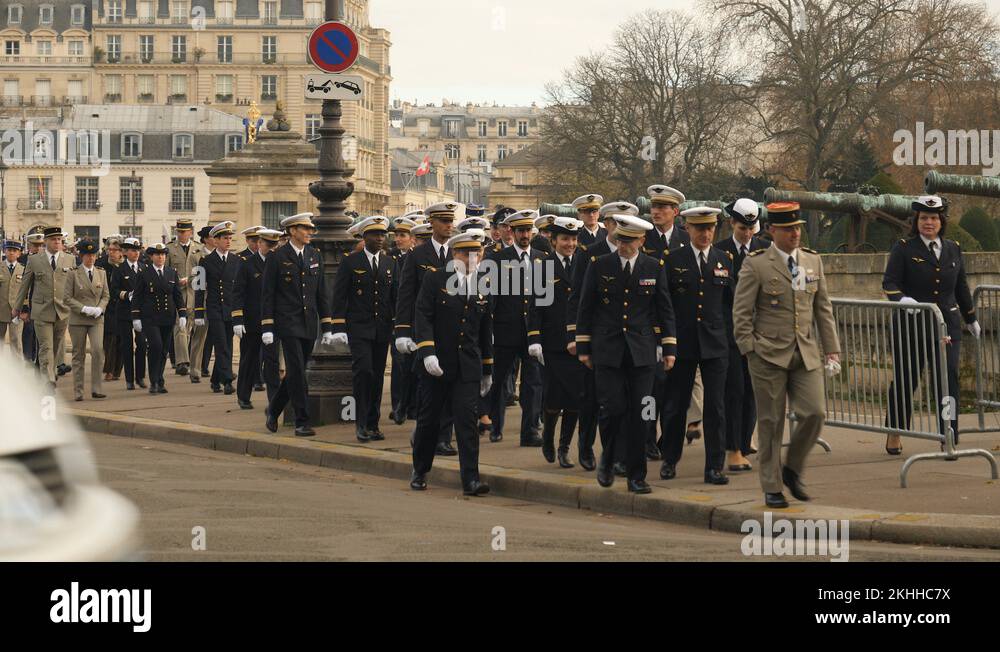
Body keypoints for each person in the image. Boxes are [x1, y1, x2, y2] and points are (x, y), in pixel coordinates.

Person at [732, 201, 841, 508]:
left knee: (815, 412)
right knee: (770, 422)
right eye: (788, 229)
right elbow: (741, 312)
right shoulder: (757, 264)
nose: (795, 234)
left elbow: (823, 308)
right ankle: (772, 484)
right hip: (767, 354)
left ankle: (792, 468)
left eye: (797, 228)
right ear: (772, 231)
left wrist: (831, 349)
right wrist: (749, 348)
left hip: (805, 352)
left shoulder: (811, 261)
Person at [576, 214, 677, 494]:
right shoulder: (599, 265)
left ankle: (637, 475)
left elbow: (664, 309)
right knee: (612, 410)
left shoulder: (653, 266)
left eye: (630, 240)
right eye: (621, 239)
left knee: (642, 414)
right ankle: (608, 459)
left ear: (642, 241)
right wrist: (583, 346)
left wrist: (669, 347)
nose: (624, 245)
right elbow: (585, 306)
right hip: (608, 351)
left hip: (642, 354)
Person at [882, 195, 978, 452]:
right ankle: (895, 431)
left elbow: (961, 286)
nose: (929, 222)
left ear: (941, 221)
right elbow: (889, 282)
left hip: (946, 326)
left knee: (948, 379)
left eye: (934, 218)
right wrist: (903, 300)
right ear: (916, 221)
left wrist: (971, 317)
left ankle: (948, 433)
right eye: (924, 218)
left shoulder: (953, 248)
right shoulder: (903, 248)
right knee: (906, 380)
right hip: (912, 327)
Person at [409, 229, 494, 496]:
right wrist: (427, 352)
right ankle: (420, 469)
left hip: (467, 365)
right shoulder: (436, 279)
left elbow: (485, 330)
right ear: (454, 254)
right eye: (465, 253)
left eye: (476, 254)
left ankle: (471, 479)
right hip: (437, 363)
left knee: (467, 422)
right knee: (429, 421)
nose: (471, 259)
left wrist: (487, 370)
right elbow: (422, 316)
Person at [657, 207, 733, 485]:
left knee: (716, 407)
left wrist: (729, 338)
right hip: (683, 342)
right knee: (675, 405)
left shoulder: (723, 259)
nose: (705, 233)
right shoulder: (673, 259)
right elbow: (664, 304)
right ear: (687, 228)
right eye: (699, 228)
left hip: (715, 344)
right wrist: (666, 341)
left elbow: (730, 303)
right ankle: (669, 459)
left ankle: (714, 466)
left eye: (710, 228)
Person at [568, 201, 635, 471]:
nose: (621, 229)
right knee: (592, 397)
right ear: (606, 224)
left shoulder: (639, 254)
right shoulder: (589, 254)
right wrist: (577, 336)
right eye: (616, 223)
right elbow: (578, 299)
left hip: (628, 340)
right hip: (597, 338)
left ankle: (619, 453)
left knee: (624, 400)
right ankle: (585, 446)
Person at [395, 202, 461, 455]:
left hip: (453, 331)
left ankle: (443, 437)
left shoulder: (459, 252)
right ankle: (424, 431)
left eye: (450, 221)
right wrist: (402, 331)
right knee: (428, 387)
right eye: (443, 221)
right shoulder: (417, 256)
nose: (448, 225)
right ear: (431, 223)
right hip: (426, 332)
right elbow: (406, 295)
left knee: (451, 386)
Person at [261, 213, 336, 437]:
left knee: (297, 371)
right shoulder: (277, 257)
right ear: (293, 231)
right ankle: (301, 421)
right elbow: (268, 294)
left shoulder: (314, 255)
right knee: (297, 372)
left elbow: (321, 292)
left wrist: (327, 324)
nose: (310, 232)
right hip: (288, 322)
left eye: (310, 229)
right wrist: (267, 326)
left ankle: (273, 409)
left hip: (308, 323)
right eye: (305, 228)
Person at [331, 216, 396, 442]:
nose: (380, 238)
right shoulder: (351, 262)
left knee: (377, 376)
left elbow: (394, 298)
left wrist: (399, 326)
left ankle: (373, 423)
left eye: (382, 234)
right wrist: (337, 326)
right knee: (364, 372)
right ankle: (360, 423)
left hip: (382, 328)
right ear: (364, 236)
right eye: (375, 234)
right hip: (358, 327)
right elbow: (339, 296)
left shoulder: (390, 263)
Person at [716, 198, 769, 471]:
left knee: (753, 391)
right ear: (732, 224)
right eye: (742, 228)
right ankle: (732, 446)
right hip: (730, 333)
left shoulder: (765, 249)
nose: (747, 234)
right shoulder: (720, 251)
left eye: (751, 229)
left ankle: (745, 440)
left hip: (759, 332)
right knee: (733, 390)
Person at [528, 216, 585, 468]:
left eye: (573, 239)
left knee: (575, 396)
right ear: (553, 241)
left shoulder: (584, 264)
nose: (570, 244)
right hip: (552, 343)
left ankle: (564, 448)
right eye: (565, 239)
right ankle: (548, 437)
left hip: (578, 341)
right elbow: (536, 307)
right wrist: (534, 338)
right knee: (553, 396)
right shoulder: (544, 267)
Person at [487, 209, 545, 447]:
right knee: (499, 380)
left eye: (527, 230)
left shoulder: (542, 258)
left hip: (532, 333)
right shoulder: (499, 259)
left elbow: (544, 298)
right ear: (512, 231)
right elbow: (491, 298)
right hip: (505, 330)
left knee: (533, 383)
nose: (524, 235)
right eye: (520, 230)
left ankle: (529, 431)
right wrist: (489, 328)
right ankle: (495, 425)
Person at [12, 226, 73, 386]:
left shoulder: (69, 259)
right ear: (46, 242)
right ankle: (48, 379)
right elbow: (24, 285)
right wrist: (17, 307)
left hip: (62, 311)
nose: (57, 242)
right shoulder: (34, 260)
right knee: (46, 346)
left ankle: (49, 373)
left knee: (55, 345)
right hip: (41, 310)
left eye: (59, 239)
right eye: (53, 239)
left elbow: (75, 285)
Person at [234, 228, 283, 407]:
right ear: (259, 243)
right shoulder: (247, 263)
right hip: (252, 321)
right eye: (267, 244)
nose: (271, 248)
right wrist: (238, 319)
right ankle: (244, 396)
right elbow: (238, 293)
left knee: (271, 362)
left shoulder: (278, 262)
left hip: (272, 321)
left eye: (274, 245)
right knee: (249, 359)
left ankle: (274, 400)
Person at [131, 243, 186, 394]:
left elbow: (177, 295)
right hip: (150, 317)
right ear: (151, 256)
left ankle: (160, 379)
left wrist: (182, 313)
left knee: (164, 350)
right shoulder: (144, 273)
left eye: (163, 255)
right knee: (155, 346)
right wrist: (136, 316)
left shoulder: (171, 272)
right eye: (157, 254)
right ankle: (154, 381)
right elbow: (137, 296)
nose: (160, 257)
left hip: (167, 317)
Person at [195, 221, 241, 395]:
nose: (228, 241)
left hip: (231, 309)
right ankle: (228, 380)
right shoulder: (205, 260)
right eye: (224, 238)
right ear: (216, 240)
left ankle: (215, 380)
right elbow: (199, 287)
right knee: (221, 344)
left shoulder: (237, 260)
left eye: (230, 238)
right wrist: (199, 311)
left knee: (227, 345)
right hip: (214, 308)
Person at [63, 239, 110, 401]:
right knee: (78, 355)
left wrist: (100, 308)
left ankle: (96, 388)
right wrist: (83, 308)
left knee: (97, 351)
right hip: (78, 319)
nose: (91, 258)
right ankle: (78, 390)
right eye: (87, 255)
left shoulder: (101, 273)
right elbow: (67, 297)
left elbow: (106, 295)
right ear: (81, 256)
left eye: (93, 255)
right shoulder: (73, 273)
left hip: (96, 318)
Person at [388, 216, 418, 425]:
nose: (398, 239)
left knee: (414, 366)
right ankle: (399, 405)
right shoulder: (392, 260)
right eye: (396, 235)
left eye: (402, 235)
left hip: (417, 320)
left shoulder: (416, 259)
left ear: (412, 239)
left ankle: (412, 405)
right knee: (400, 366)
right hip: (398, 319)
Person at [110, 238, 148, 390]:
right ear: (125, 252)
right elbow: (114, 291)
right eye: (133, 250)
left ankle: (140, 377)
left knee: (142, 345)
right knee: (126, 345)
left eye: (138, 250)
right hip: (125, 312)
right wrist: (126, 295)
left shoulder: (144, 268)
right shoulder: (119, 269)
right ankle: (129, 379)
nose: (136, 253)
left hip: (140, 313)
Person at [166, 218, 202, 378]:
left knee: (193, 331)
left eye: (184, 232)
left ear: (191, 232)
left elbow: (202, 275)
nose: (181, 235)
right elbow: (165, 272)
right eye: (179, 232)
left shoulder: (198, 249)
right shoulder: (170, 249)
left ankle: (195, 365)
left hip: (194, 296)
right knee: (180, 328)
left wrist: (189, 279)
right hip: (177, 295)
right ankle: (182, 362)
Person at [188, 225, 215, 384]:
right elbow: (195, 281)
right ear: (206, 239)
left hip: (219, 301)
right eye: (213, 236)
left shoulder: (223, 255)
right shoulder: (197, 256)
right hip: (203, 300)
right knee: (199, 337)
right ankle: (195, 369)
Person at [97, 238, 124, 381]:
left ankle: (117, 369)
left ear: (121, 252)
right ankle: (109, 370)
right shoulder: (101, 264)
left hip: (122, 306)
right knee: (109, 339)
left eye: (115, 250)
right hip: (106, 307)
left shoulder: (125, 266)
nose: (111, 253)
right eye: (110, 250)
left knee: (121, 340)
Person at [643, 184, 690, 257]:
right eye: (653, 207)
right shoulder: (642, 238)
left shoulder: (687, 239)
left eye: (661, 207)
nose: (655, 212)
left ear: (675, 212)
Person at [1, 241, 25, 356]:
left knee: (16, 341)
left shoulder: (24, 270)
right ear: (4, 251)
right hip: (1, 310)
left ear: (19, 254)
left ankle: (17, 370)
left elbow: (27, 292)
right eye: (9, 250)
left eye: (14, 251)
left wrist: (25, 309)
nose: (11, 253)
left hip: (17, 310)